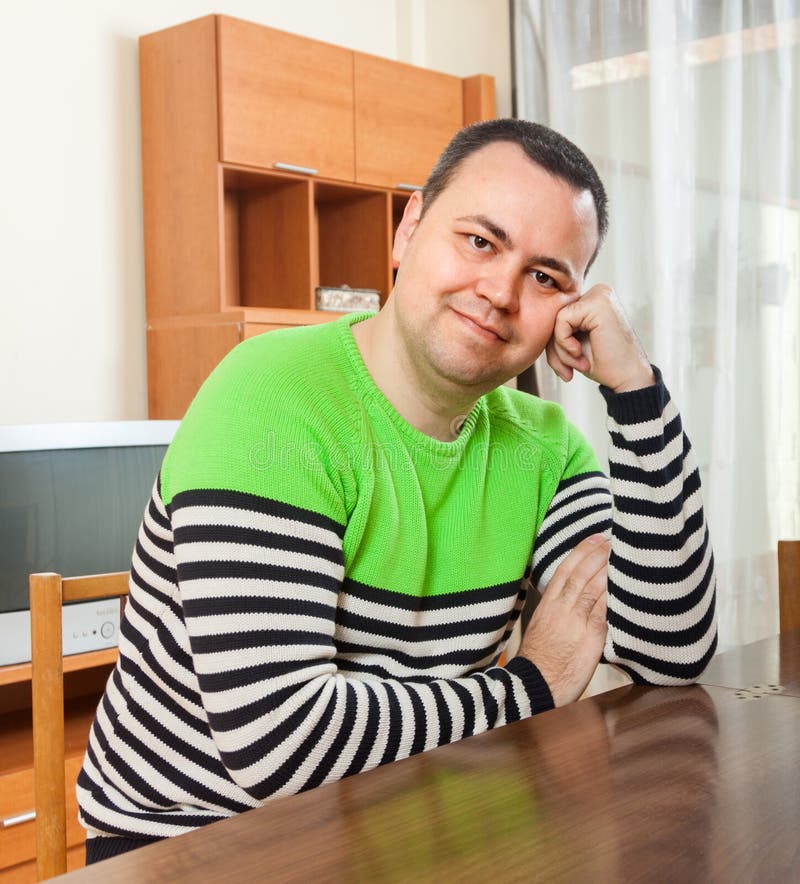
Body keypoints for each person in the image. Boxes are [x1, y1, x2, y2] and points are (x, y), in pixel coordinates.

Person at [78, 119, 717, 861]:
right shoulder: (271, 397)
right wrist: (532, 686)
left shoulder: (544, 445)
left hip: (415, 818)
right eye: (480, 241)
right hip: (198, 847)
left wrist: (635, 389)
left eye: (545, 277)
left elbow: (669, 652)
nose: (499, 292)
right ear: (409, 229)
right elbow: (281, 744)